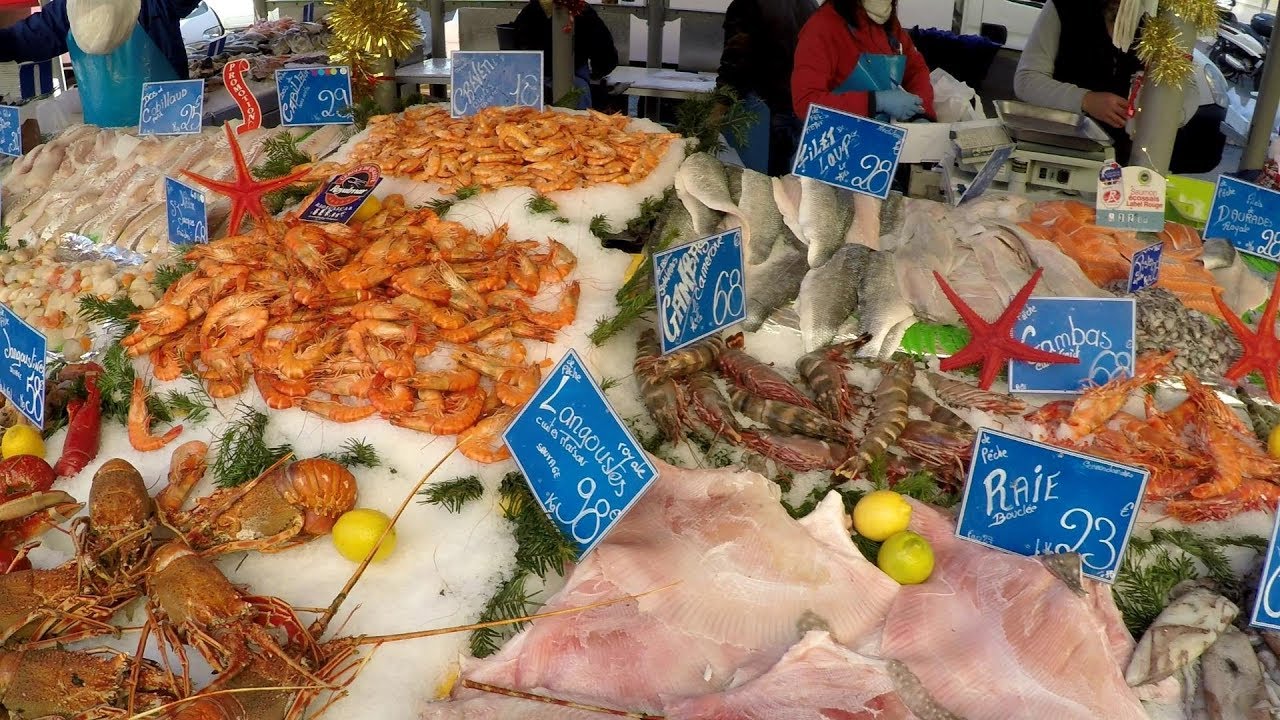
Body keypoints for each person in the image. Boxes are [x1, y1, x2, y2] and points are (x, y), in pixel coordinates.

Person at [1014, 0, 1225, 173]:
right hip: (1059, 153)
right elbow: (1027, 80)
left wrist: (1163, 116)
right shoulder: (1064, 8)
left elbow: (1188, 90)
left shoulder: (1164, 20)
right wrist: (1085, 99)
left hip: (1130, 164)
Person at [0, 0, 200, 127]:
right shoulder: (67, 9)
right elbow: (23, 40)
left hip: (170, 119)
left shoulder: (155, 3)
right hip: (104, 131)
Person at [713, 0, 816, 175]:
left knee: (759, 185)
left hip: (763, 111)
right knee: (786, 181)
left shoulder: (746, 5)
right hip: (798, 110)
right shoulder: (808, 3)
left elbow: (736, 61)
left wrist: (718, 107)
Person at [791, 0, 934, 124]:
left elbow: (916, 70)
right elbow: (805, 104)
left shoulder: (888, 23)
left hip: (887, 137)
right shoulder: (821, 27)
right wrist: (876, 102)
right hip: (839, 144)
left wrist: (921, 113)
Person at [512, 0, 619, 110]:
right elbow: (604, 51)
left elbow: (514, 45)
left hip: (532, 83)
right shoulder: (583, 11)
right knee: (577, 121)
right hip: (574, 83)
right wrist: (598, 72)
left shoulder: (529, 11)